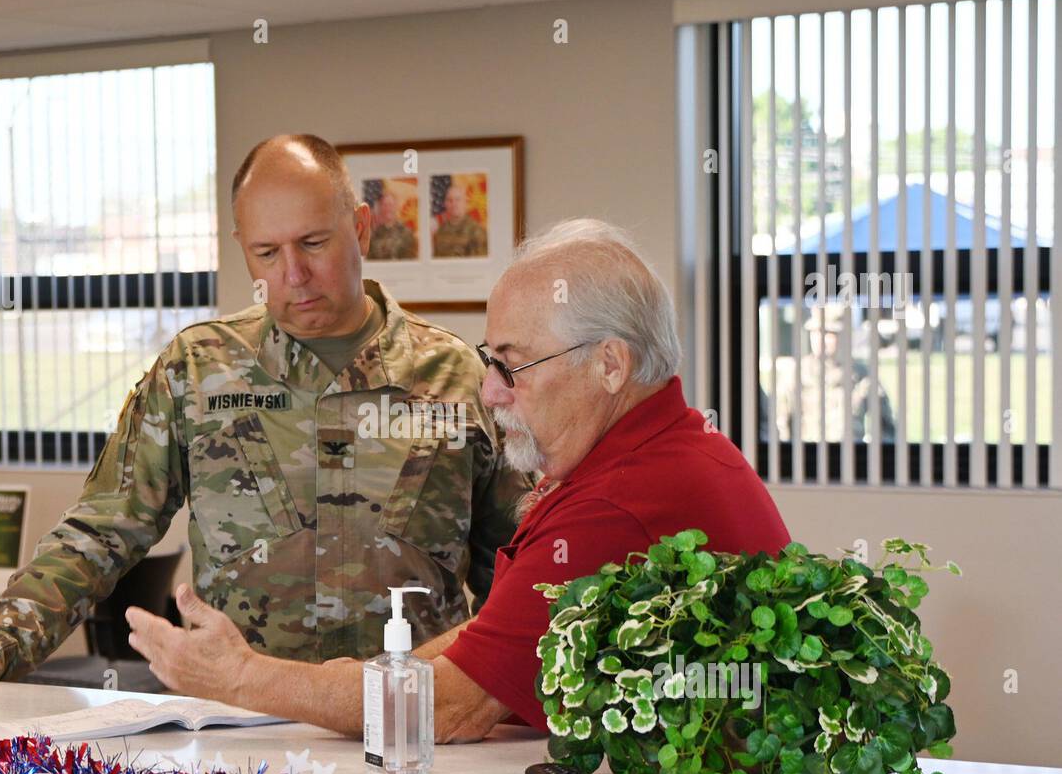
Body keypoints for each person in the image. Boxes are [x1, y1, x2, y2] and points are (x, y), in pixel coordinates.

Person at [0, 134, 531, 692]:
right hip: (236, 721)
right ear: (242, 246)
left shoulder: (459, 379)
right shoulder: (199, 371)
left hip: (413, 719)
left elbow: (517, 567)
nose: (293, 275)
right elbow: (102, 527)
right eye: (266, 254)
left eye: (313, 243)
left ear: (361, 228)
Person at [118, 218, 791, 741]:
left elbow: (451, 706)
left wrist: (242, 678)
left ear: (609, 365)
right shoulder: (658, 454)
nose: (491, 394)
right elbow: (486, 643)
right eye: (487, 362)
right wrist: (339, 681)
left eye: (513, 365)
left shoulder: (618, 504)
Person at [773, 303, 896, 443]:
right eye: (815, 332)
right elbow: (780, 427)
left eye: (828, 334)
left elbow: (888, 429)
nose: (820, 339)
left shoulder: (863, 376)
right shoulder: (796, 374)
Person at [432, 183, 487, 257]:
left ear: (466, 202)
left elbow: (480, 265)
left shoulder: (477, 231)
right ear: (445, 204)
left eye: (458, 199)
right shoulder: (440, 231)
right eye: (450, 200)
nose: (454, 204)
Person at [367, 189, 417, 260]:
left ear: (396, 207)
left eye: (390, 205)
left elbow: (412, 261)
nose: (388, 208)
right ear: (380, 208)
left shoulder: (407, 233)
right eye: (385, 205)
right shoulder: (374, 235)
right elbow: (370, 260)